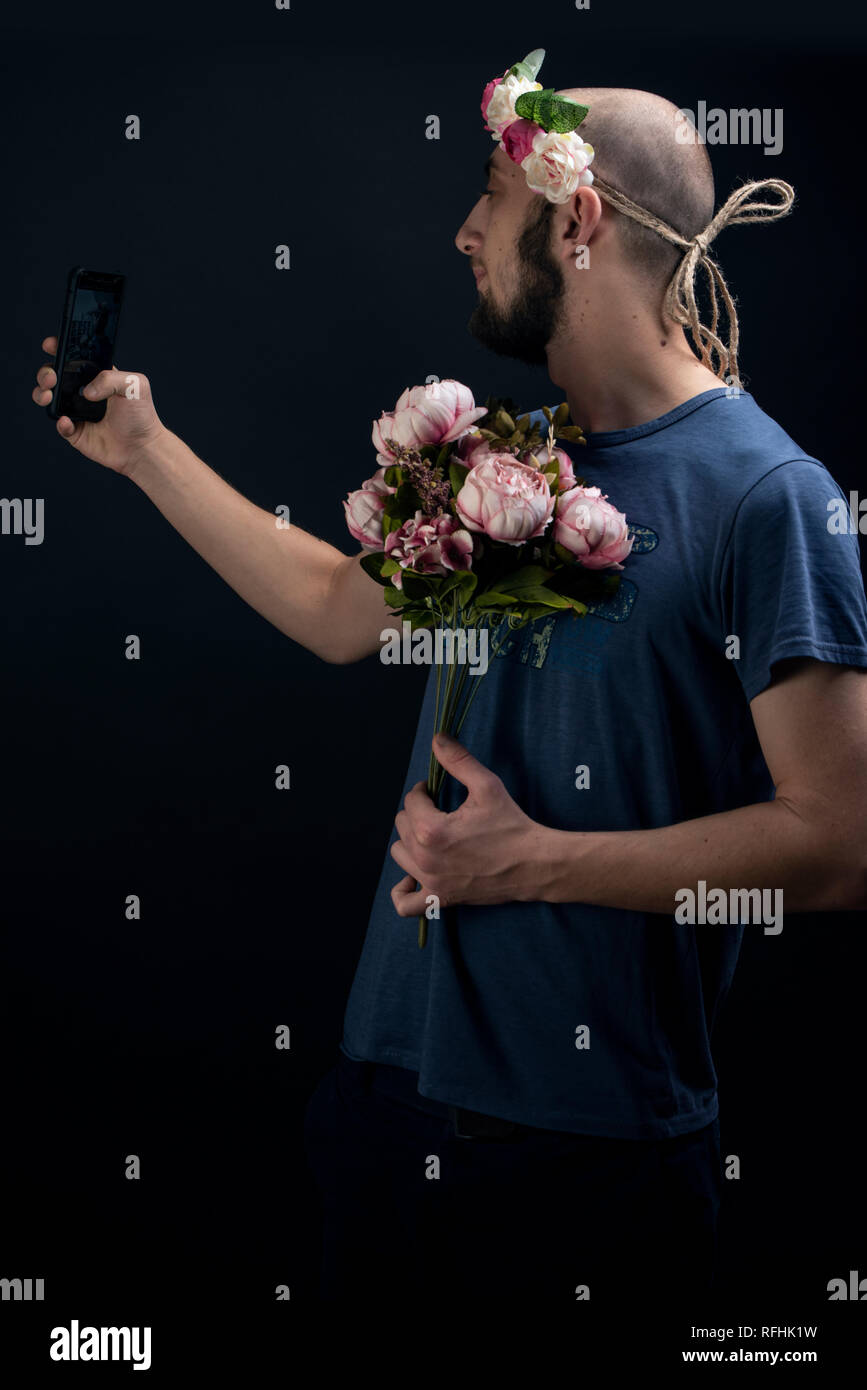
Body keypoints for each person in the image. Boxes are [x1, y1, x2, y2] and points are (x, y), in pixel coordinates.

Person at [31, 77, 867, 1308]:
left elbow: (840, 842)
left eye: (489, 197)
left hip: (588, 1161)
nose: (465, 233)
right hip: (384, 1110)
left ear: (576, 221)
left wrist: (530, 862)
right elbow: (337, 611)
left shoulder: (771, 497)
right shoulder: (507, 458)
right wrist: (145, 447)